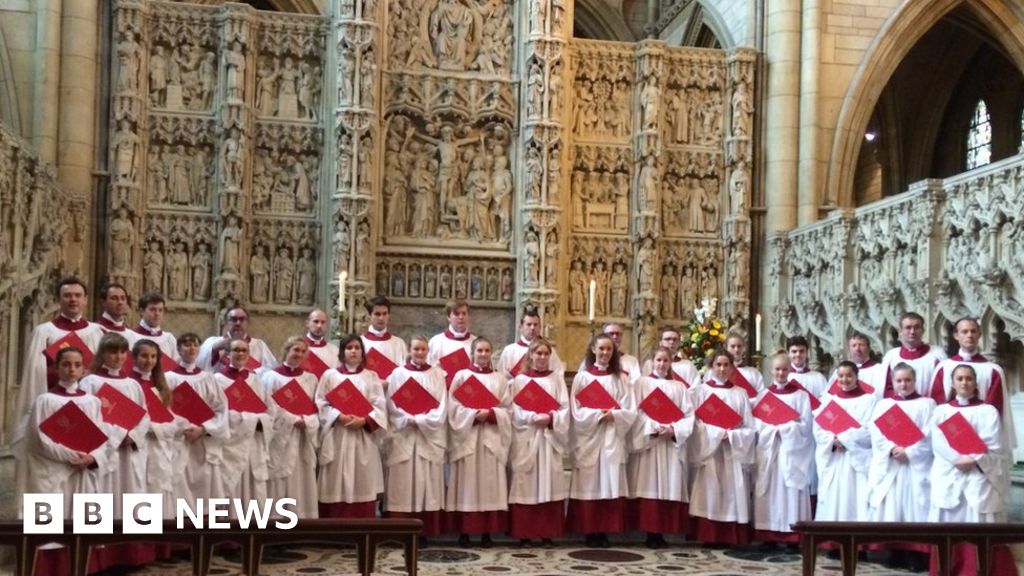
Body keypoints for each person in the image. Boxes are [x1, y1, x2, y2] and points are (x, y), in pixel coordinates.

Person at [928, 364, 1016, 576]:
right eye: (960, 379)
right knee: (949, 523)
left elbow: (993, 442)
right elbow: (938, 441)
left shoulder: (988, 411)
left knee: (978, 520)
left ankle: (978, 570)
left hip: (979, 475)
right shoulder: (942, 411)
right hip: (950, 472)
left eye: (968, 379)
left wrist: (973, 459)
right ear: (953, 383)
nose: (964, 383)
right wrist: (956, 458)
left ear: (976, 383)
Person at [15, 277, 105, 444]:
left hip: (88, 405)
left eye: (78, 295)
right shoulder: (44, 332)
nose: (73, 299)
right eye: (67, 295)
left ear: (85, 300)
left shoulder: (96, 332)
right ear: (58, 299)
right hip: (54, 404)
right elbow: (35, 374)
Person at [567, 333, 636, 548]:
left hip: (612, 436)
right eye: (601, 348)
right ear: (593, 350)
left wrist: (614, 415)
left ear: (614, 352)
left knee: (609, 481)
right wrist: (597, 415)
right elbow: (575, 409)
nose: (605, 353)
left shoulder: (622, 379)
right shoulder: (583, 377)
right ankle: (589, 530)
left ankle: (604, 530)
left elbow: (630, 409)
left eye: (609, 349)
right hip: (589, 437)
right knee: (589, 482)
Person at [866, 362, 934, 571]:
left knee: (915, 508)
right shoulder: (884, 405)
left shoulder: (927, 404)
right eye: (899, 381)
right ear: (893, 382)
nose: (903, 385)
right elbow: (876, 433)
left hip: (915, 467)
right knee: (893, 508)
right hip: (892, 464)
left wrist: (910, 452)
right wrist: (892, 448)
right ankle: (894, 550)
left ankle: (916, 553)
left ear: (914, 381)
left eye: (907, 380)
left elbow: (930, 433)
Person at [627, 347, 695, 548]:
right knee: (648, 484)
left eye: (665, 360)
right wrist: (655, 427)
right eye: (658, 360)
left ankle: (662, 532)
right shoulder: (641, 384)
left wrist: (674, 429)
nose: (662, 364)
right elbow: (635, 411)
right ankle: (649, 531)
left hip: (669, 444)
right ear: (651, 362)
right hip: (649, 443)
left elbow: (689, 416)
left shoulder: (679, 387)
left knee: (667, 484)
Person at [447, 337, 511, 547]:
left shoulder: (499, 379)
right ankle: (464, 532)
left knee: (489, 484)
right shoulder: (461, 376)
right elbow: (453, 406)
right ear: (472, 353)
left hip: (491, 438)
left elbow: (508, 408)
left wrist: (492, 413)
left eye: (487, 351)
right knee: (467, 484)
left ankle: (486, 533)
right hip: (468, 437)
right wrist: (472, 414)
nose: (483, 355)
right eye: (479, 351)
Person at [688, 349, 756, 546]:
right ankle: (709, 535)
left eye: (726, 365)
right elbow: (695, 423)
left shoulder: (740, 393)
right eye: (718, 365)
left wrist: (732, 435)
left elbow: (750, 427)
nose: (722, 369)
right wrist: (716, 434)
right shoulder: (701, 391)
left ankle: (730, 534)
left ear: (732, 368)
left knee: (731, 491)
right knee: (709, 489)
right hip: (709, 451)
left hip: (732, 451)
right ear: (711, 366)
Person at [79, 333, 149, 519]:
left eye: (122, 352)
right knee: (104, 496)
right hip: (105, 451)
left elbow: (144, 416)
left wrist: (132, 435)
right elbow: (89, 418)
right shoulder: (90, 382)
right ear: (102, 353)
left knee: (131, 495)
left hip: (129, 451)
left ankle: (130, 546)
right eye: (112, 352)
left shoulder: (133, 385)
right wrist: (118, 435)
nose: (118, 357)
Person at [316, 334, 387, 518]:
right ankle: (333, 525)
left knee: (361, 478)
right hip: (338, 434)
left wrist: (364, 421)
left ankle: (361, 525)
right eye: (349, 348)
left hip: (362, 436)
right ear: (342, 352)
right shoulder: (330, 375)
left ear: (363, 352)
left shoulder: (371, 377)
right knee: (335, 479)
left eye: (357, 347)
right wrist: (338, 416)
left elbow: (380, 406)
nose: (353, 351)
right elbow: (321, 403)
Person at [508, 339, 569, 546]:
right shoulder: (520, 380)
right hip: (527, 436)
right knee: (526, 483)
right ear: (530, 355)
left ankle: (547, 533)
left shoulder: (557, 379)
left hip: (549, 439)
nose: (542, 357)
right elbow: (513, 408)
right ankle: (524, 534)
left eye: (546, 354)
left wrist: (551, 418)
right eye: (538, 353)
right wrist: (530, 417)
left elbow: (565, 409)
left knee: (549, 482)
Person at [386, 335, 448, 538]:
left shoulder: (437, 375)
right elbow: (391, 404)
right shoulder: (397, 374)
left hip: (427, 437)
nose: (419, 353)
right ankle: (399, 530)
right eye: (416, 349)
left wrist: (421, 420)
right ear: (409, 351)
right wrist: (406, 418)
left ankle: (425, 531)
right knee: (402, 482)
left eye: (423, 349)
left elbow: (441, 405)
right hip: (403, 435)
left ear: (428, 351)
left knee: (426, 482)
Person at [752, 352, 813, 548]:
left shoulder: (801, 395)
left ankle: (792, 537)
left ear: (790, 370)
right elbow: (756, 424)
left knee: (791, 491)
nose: (781, 373)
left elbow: (805, 426)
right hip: (770, 451)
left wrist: (786, 429)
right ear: (771, 371)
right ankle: (768, 535)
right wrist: (773, 430)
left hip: (791, 452)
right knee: (770, 491)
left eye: (784, 369)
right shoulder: (764, 396)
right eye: (777, 369)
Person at [929, 317, 1015, 450]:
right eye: (964, 331)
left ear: (979, 334)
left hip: (982, 437)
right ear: (956, 335)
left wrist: (975, 443)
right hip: (949, 438)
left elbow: (995, 409)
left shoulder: (993, 370)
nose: (969, 335)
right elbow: (937, 405)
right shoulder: (944, 368)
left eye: (973, 331)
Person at [164, 332, 229, 502]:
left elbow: (221, 409)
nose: (191, 347)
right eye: (186, 344)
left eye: (195, 344)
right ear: (178, 349)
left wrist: (203, 429)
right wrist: (183, 427)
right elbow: (164, 411)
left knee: (206, 494)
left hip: (203, 442)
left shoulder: (208, 378)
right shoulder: (168, 378)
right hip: (179, 441)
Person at [262, 337, 320, 518]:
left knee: (301, 479)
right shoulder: (270, 377)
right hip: (281, 436)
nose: (299, 355)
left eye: (303, 352)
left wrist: (308, 421)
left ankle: (301, 522)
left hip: (303, 436)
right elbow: (268, 406)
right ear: (286, 350)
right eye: (296, 350)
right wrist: (292, 419)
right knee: (278, 478)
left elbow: (316, 406)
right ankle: (276, 523)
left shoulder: (310, 379)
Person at [213, 339, 274, 511]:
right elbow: (218, 415)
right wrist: (251, 419)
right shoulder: (217, 380)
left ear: (248, 355)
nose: (240, 354)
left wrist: (258, 420)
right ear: (227, 354)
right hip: (229, 446)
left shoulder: (256, 380)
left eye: (244, 351)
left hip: (253, 446)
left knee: (254, 494)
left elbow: (270, 412)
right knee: (229, 489)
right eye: (236, 350)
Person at [130, 338, 189, 516]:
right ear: (134, 357)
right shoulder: (129, 384)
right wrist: (158, 428)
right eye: (144, 356)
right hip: (138, 446)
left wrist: (183, 424)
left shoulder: (160, 386)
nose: (149, 360)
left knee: (158, 492)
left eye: (153, 356)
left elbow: (166, 415)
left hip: (159, 447)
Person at [813, 361, 876, 522]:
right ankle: (833, 539)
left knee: (855, 498)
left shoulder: (869, 400)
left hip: (856, 459)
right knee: (833, 496)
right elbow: (818, 428)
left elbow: (870, 430)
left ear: (857, 377)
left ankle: (858, 540)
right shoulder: (828, 400)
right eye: (841, 376)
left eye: (849, 375)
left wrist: (845, 439)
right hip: (834, 457)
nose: (845, 379)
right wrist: (831, 440)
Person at [880, 312, 946, 398]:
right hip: (899, 406)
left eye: (917, 327)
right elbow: (886, 388)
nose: (912, 332)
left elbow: (943, 386)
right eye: (908, 328)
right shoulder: (891, 356)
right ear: (900, 331)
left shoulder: (937, 354)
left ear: (923, 330)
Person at [197, 306, 277, 373]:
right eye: (233, 319)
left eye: (242, 319)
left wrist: (253, 372)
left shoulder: (259, 345)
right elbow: (197, 364)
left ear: (247, 322)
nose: (238, 323)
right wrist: (215, 349)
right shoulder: (212, 342)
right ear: (225, 322)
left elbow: (271, 371)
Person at [498, 308, 564, 379]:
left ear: (540, 327)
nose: (532, 328)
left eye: (535, 325)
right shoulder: (509, 351)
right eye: (529, 324)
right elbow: (501, 376)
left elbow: (558, 374)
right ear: (521, 327)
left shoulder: (548, 351)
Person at [428, 299, 476, 386]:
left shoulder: (476, 343)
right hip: (443, 390)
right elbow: (427, 371)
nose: (461, 317)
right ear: (448, 317)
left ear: (468, 316)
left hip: (469, 392)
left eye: (464, 313)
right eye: (456, 314)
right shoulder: (436, 342)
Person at [361, 296, 408, 384]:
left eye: (384, 314)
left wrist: (388, 382)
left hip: (391, 391)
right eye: (377, 314)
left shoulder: (399, 343)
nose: (381, 318)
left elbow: (404, 373)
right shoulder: (360, 343)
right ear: (369, 317)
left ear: (389, 316)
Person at [828, 332, 884, 397]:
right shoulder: (841, 370)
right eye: (854, 345)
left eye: (861, 345)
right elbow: (828, 395)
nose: (857, 349)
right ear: (849, 349)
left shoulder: (879, 369)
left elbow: (880, 394)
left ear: (869, 349)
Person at [132, 293, 178, 363]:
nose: (157, 314)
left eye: (160, 310)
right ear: (141, 311)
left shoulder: (169, 339)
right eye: (153, 309)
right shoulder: (131, 336)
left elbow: (175, 365)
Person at [723, 332, 764, 400]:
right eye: (733, 346)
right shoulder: (719, 371)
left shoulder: (754, 373)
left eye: (739, 346)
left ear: (744, 348)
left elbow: (761, 396)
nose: (736, 350)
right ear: (726, 348)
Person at [786, 335, 827, 399]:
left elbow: (825, 401)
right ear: (788, 353)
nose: (798, 354)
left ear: (807, 353)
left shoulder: (819, 378)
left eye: (801, 351)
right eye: (794, 351)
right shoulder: (784, 378)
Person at [303, 309, 339, 379]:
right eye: (316, 321)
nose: (319, 325)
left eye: (323, 322)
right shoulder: (297, 348)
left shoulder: (334, 350)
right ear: (307, 323)